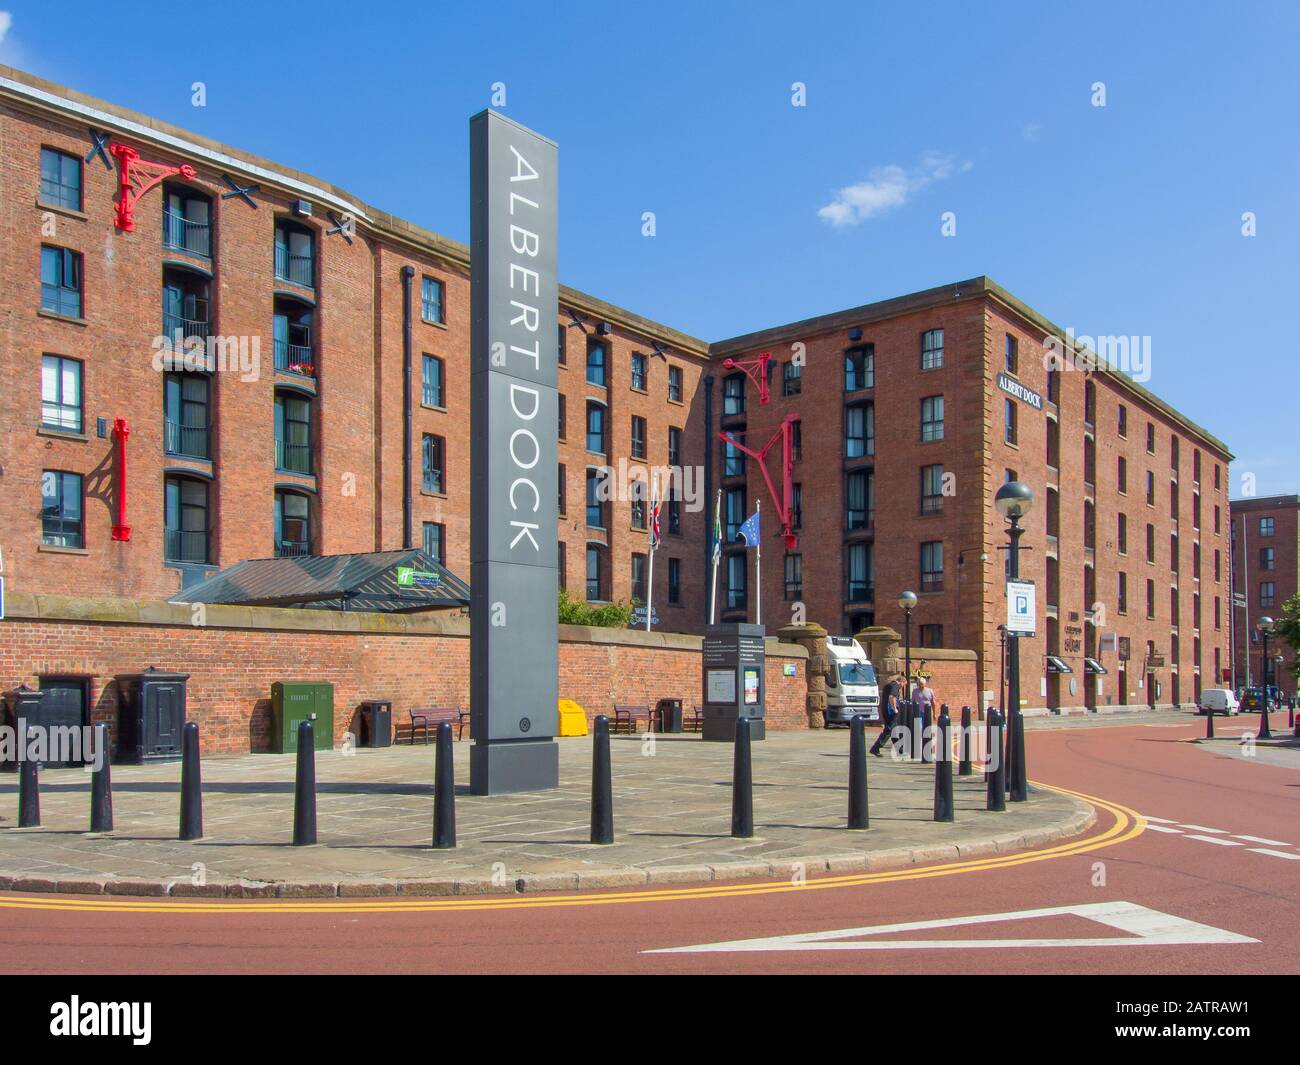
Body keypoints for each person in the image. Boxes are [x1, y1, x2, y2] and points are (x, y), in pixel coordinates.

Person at [870, 671, 904, 757]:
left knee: (894, 730)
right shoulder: (895, 686)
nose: (903, 687)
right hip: (891, 712)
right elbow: (891, 697)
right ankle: (876, 747)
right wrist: (895, 708)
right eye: (904, 684)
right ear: (901, 681)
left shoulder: (888, 685)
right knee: (889, 730)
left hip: (885, 710)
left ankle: (900, 750)